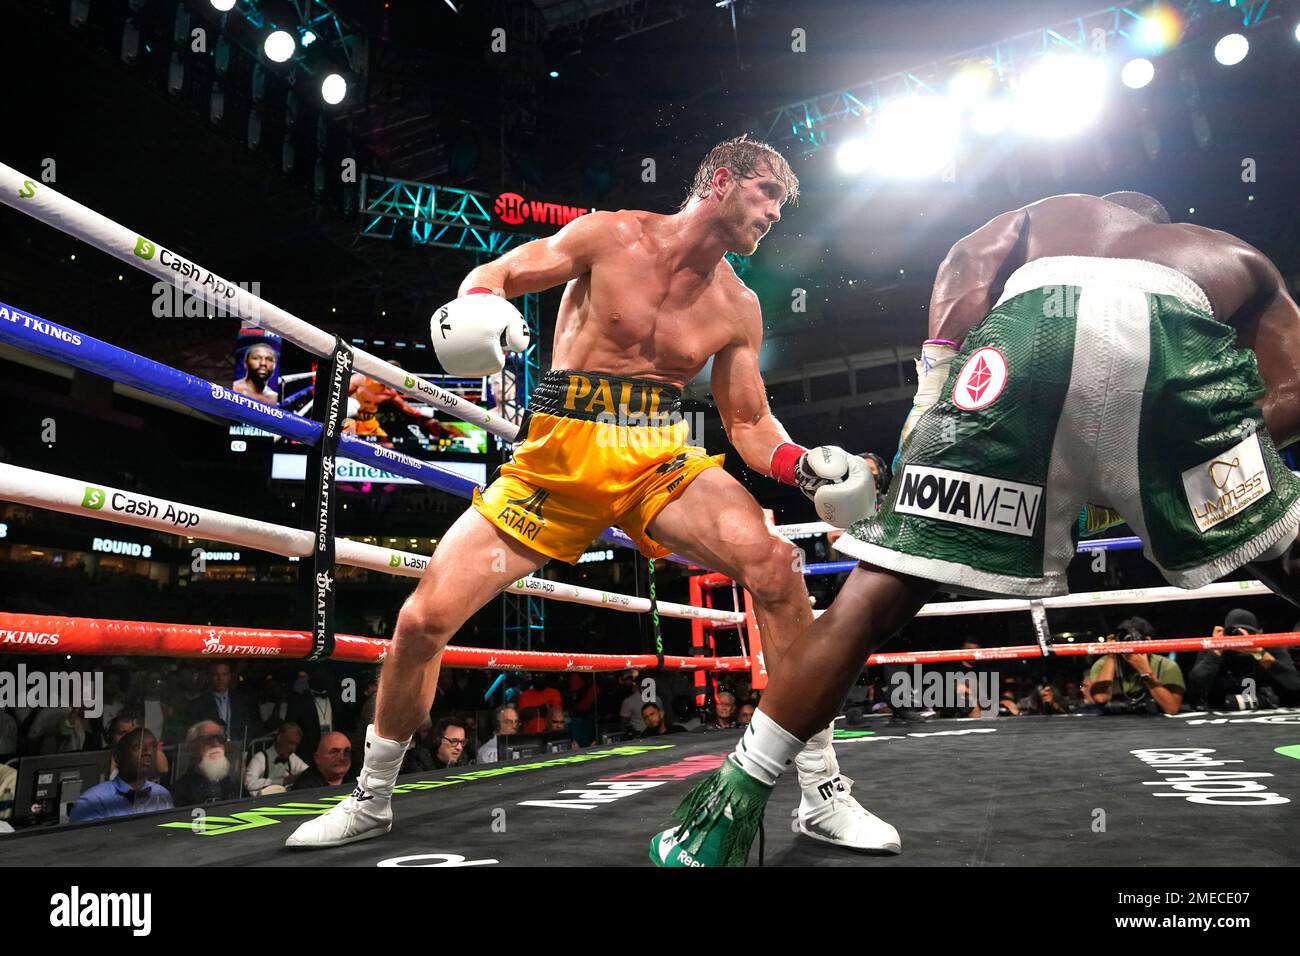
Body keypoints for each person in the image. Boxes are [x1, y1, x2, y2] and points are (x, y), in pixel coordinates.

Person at [650, 191, 1300, 866]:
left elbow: (969, 259)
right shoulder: (1232, 253)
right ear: (1162, 222)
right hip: (1174, 343)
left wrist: (933, 389)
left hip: (1027, 336)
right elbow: (1296, 388)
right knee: (1284, 550)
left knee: (878, 593)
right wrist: (1201, 460)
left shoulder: (1059, 211)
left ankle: (726, 809)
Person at [289, 135, 888, 852]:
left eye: (782, 205)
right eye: (768, 195)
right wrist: (479, 300)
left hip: (656, 454)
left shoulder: (738, 304)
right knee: (421, 622)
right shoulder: (612, 235)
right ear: (723, 181)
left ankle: (820, 789)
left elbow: (748, 421)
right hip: (554, 460)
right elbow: (500, 270)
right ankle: (370, 797)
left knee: (776, 567)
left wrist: (801, 465)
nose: (776, 215)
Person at [1187, 608, 1300, 708]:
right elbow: (1195, 688)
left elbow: (1294, 684)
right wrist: (1217, 648)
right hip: (1220, 713)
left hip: (1268, 712)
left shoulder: (1270, 648)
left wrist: (1258, 652)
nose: (1241, 638)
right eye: (1235, 633)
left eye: (1249, 632)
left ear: (1258, 634)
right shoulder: (1212, 649)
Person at [69, 729, 173, 823]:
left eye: (153, 748)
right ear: (117, 756)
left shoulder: (162, 794)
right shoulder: (92, 801)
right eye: (138, 747)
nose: (149, 753)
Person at [1088, 616, 1185, 715]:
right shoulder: (1103, 664)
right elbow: (1100, 698)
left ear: (1147, 641)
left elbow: (1172, 709)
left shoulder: (1166, 666)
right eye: (1125, 640)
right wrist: (1112, 654)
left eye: (1133, 640)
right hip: (1115, 725)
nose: (1129, 645)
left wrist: (1144, 671)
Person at [244, 723, 307, 795]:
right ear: (279, 737)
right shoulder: (260, 758)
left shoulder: (292, 758)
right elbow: (249, 784)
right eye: (290, 743)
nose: (293, 748)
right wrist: (280, 781)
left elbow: (307, 772)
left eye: (296, 745)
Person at [291, 732, 357, 791]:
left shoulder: (359, 778)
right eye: (334, 752)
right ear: (317, 758)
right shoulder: (305, 788)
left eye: (346, 751)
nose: (342, 758)